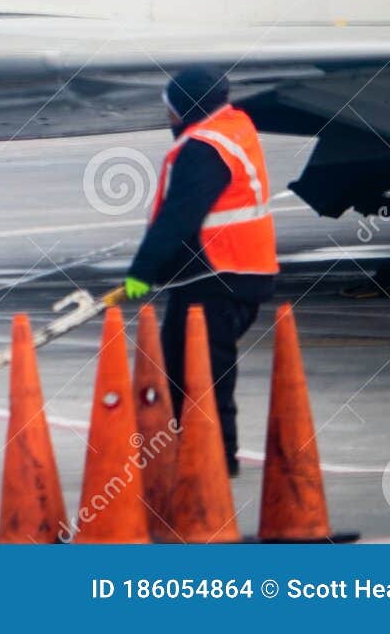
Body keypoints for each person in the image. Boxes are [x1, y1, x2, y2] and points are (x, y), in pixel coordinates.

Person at [123, 67, 278, 475]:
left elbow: (180, 216)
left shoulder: (202, 148)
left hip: (218, 277)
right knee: (183, 367)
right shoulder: (233, 126)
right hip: (236, 272)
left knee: (203, 376)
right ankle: (192, 452)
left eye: (170, 108)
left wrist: (142, 271)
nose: (168, 117)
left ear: (183, 108)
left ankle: (217, 462)